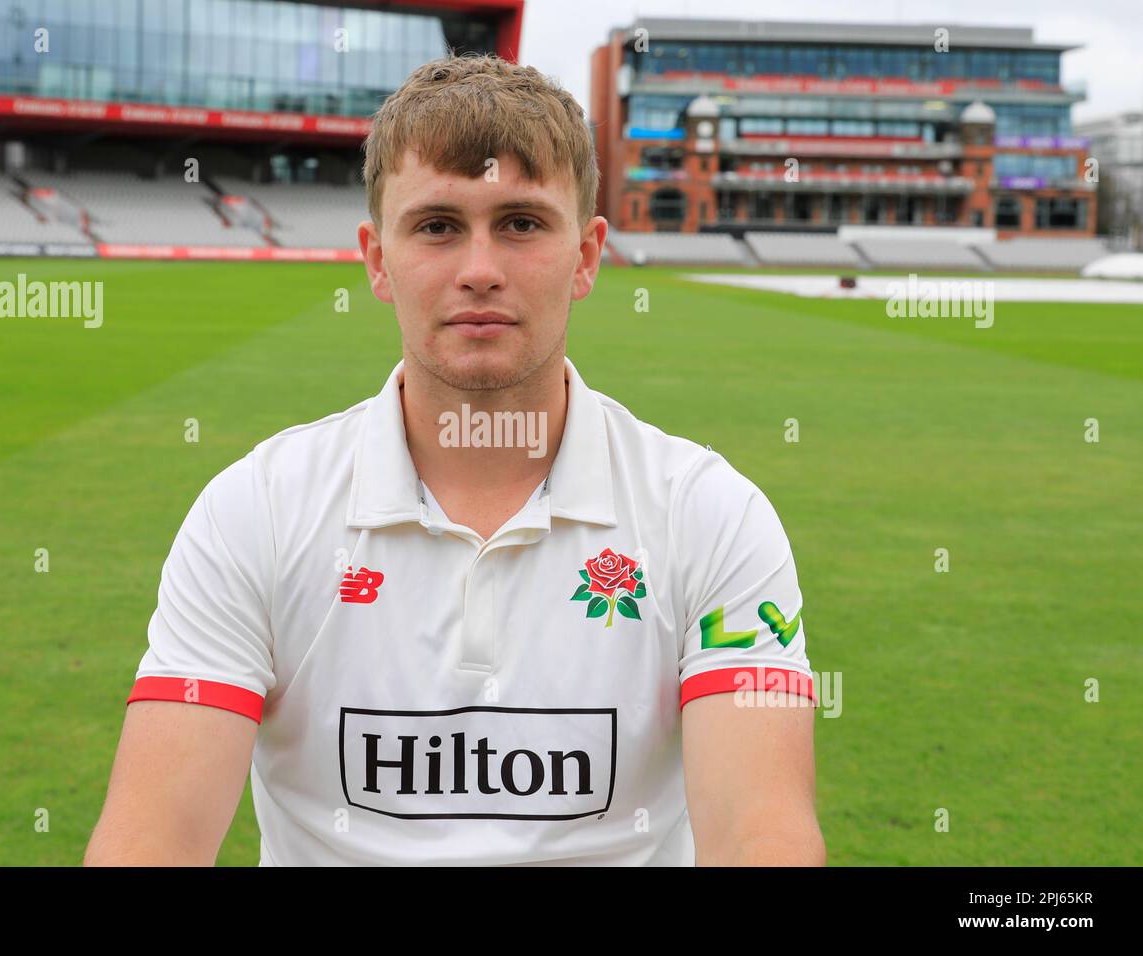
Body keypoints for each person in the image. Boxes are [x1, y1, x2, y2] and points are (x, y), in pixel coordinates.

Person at [85, 52, 823, 866]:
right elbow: (152, 839)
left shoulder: (709, 514)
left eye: (521, 224)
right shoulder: (255, 511)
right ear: (376, 258)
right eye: (438, 226)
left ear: (585, 256)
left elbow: (764, 833)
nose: (480, 271)